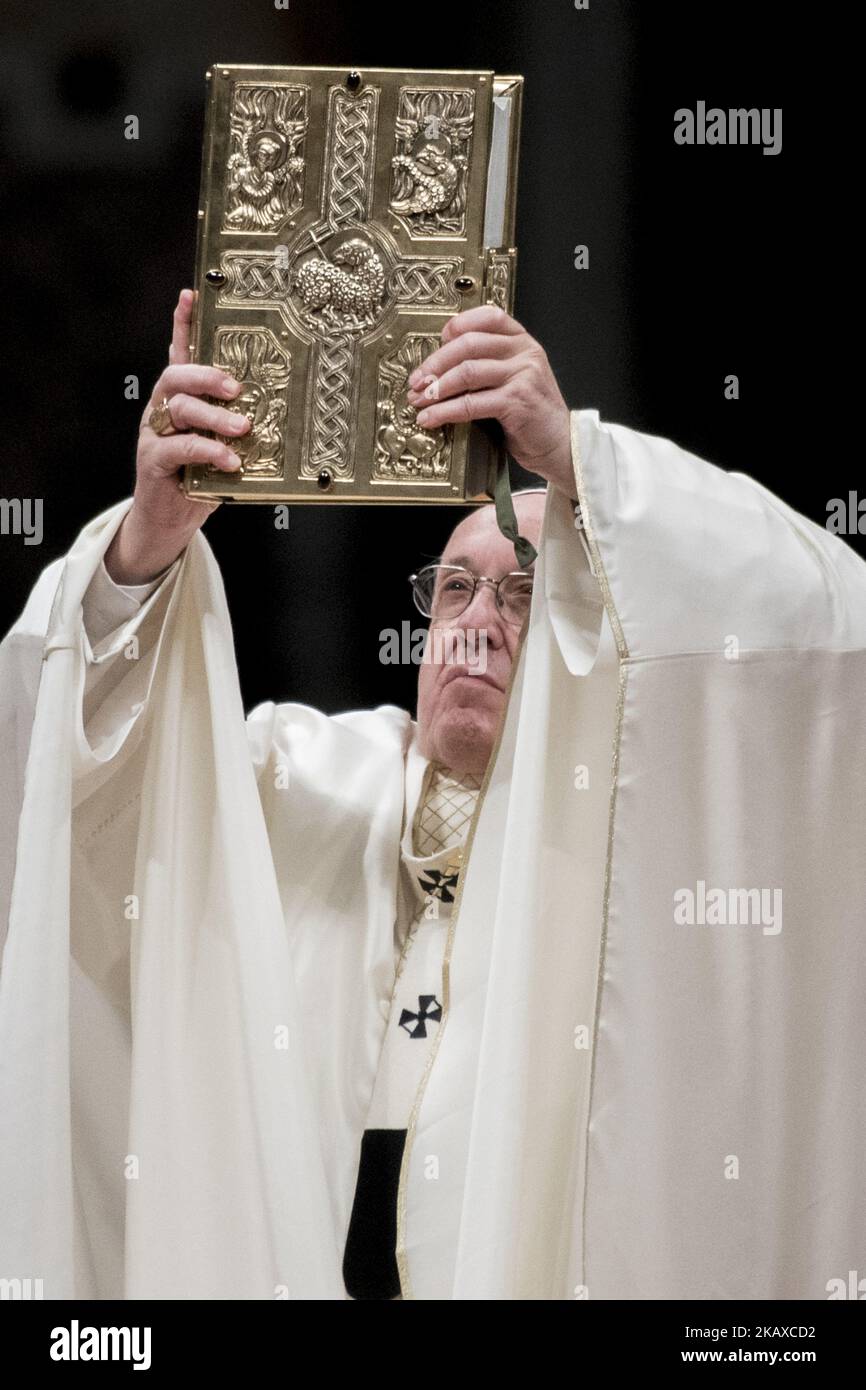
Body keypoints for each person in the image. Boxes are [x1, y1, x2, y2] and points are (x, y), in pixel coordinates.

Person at [1, 293, 864, 1302]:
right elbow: (75, 773)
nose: (474, 623)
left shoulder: (638, 829)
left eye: (525, 591)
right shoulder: (292, 779)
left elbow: (825, 631)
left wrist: (577, 457)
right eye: (454, 587)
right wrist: (146, 544)